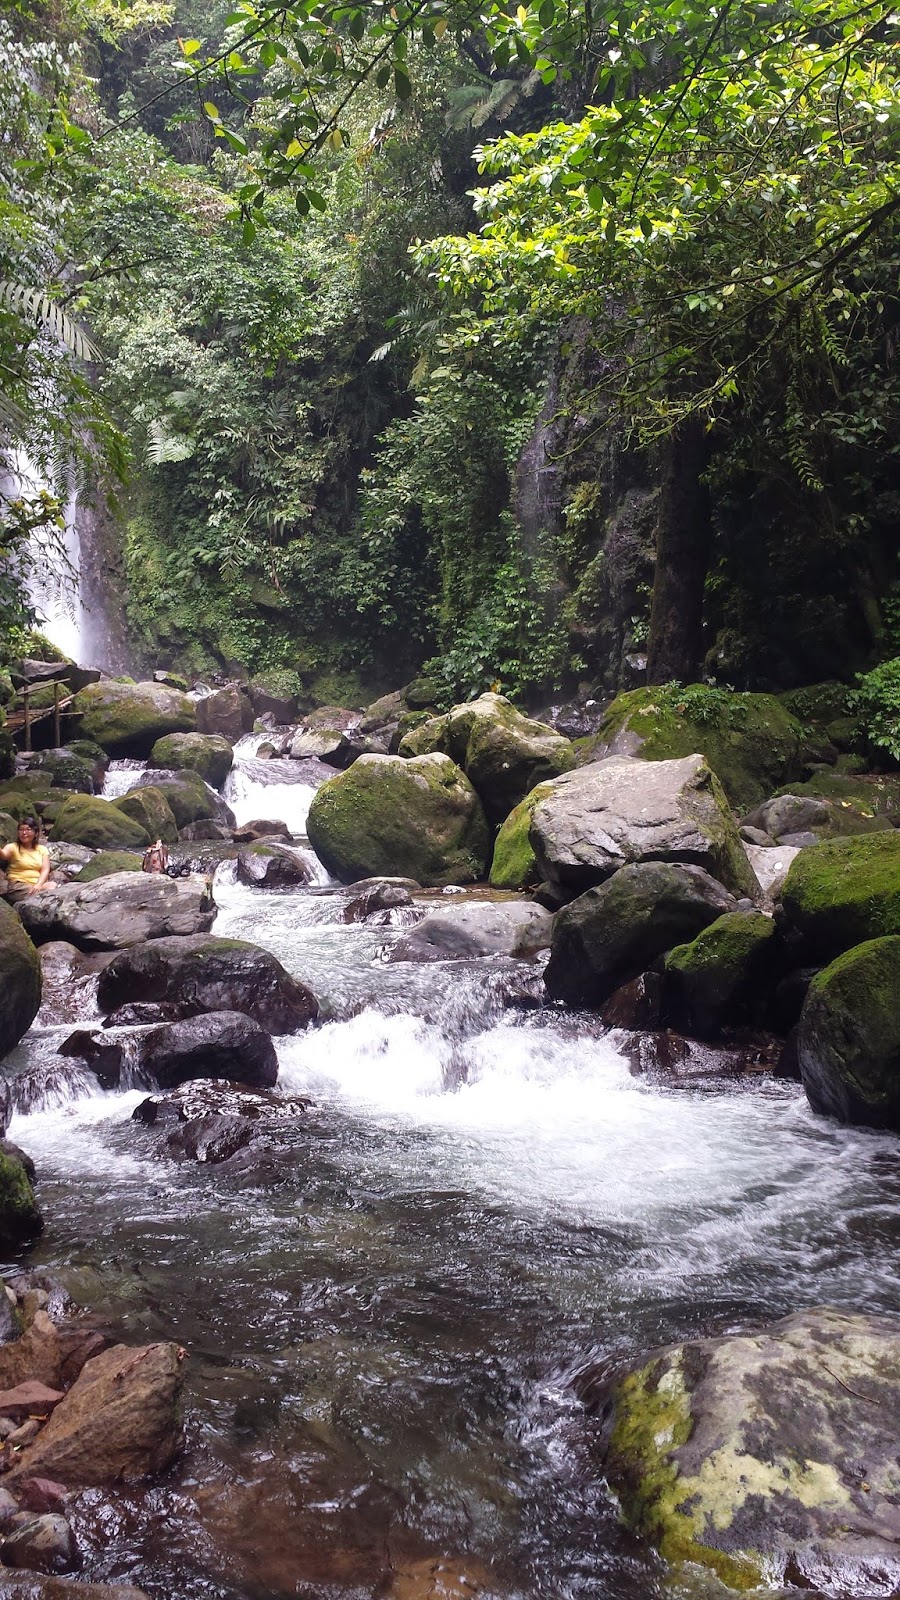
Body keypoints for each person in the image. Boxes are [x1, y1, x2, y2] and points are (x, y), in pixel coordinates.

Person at [0, 816, 51, 904]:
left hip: (37, 885)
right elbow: (3, 855)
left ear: (35, 833)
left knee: (52, 886)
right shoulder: (13, 847)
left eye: (28, 829)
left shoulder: (42, 849)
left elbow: (45, 869)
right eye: (21, 830)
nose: (24, 833)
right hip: (18, 886)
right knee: (44, 894)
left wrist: (39, 884)